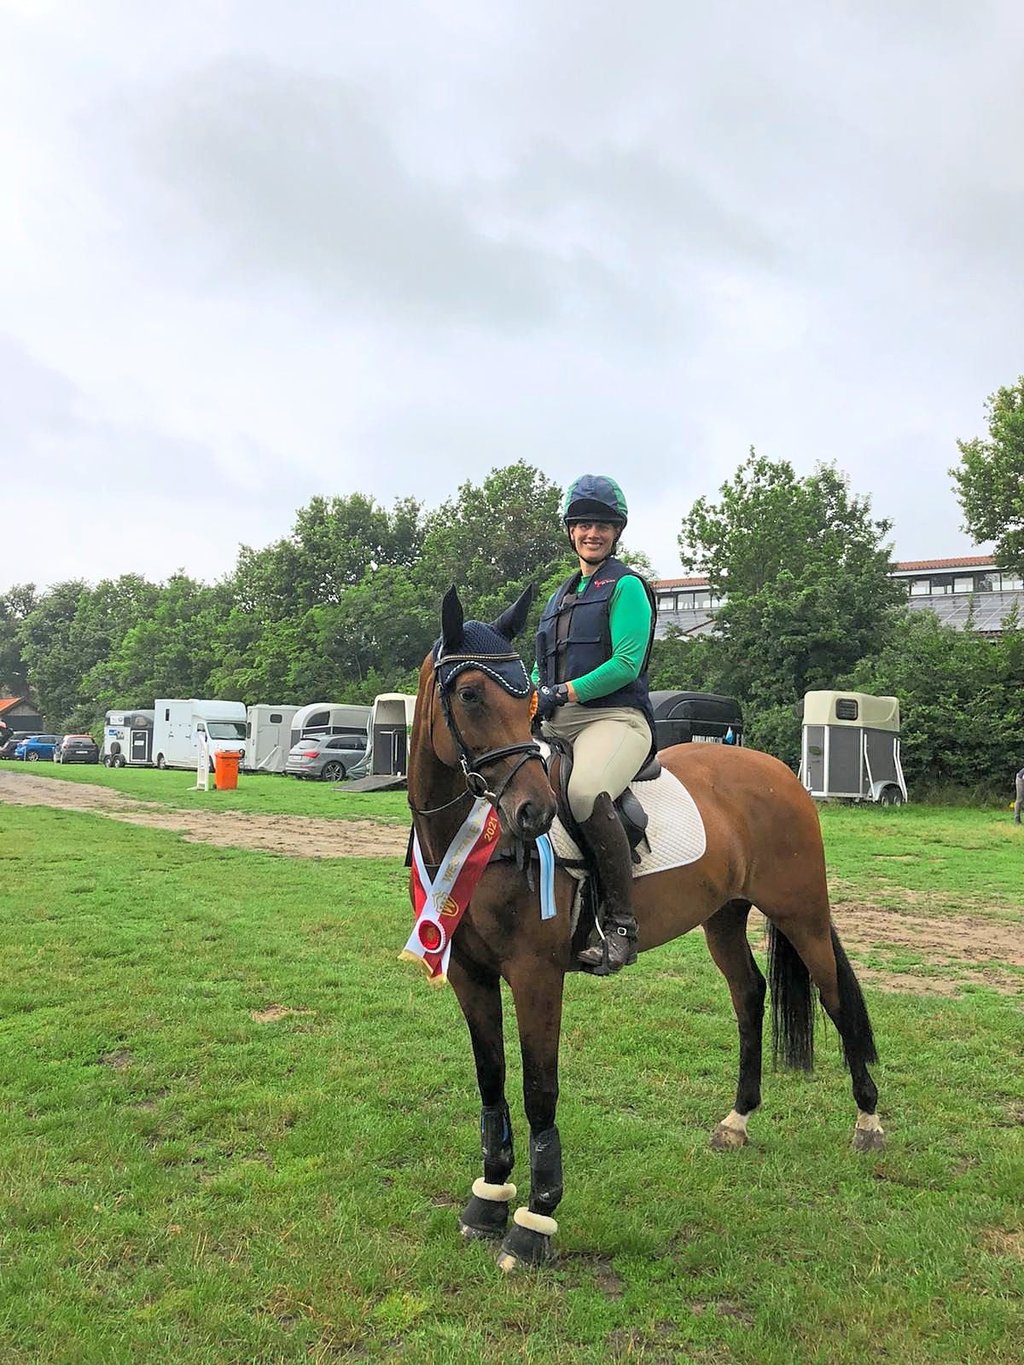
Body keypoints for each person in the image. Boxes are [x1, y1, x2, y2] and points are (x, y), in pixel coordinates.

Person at [533, 474, 657, 973]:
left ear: (616, 532)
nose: (592, 533)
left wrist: (563, 692)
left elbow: (627, 662)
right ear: (570, 531)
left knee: (584, 791)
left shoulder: (626, 587)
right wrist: (539, 693)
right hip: (558, 720)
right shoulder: (558, 596)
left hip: (616, 717)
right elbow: (544, 663)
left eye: (602, 525)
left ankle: (620, 926)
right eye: (583, 524)